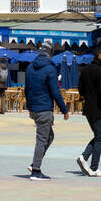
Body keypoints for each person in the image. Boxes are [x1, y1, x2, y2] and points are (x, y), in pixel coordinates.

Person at [24, 41, 68, 180]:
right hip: (44, 108)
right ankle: (36, 171)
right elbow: (55, 92)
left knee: (49, 136)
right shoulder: (50, 69)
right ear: (51, 53)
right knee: (42, 139)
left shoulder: (30, 67)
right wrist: (64, 110)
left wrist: (30, 108)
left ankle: (34, 164)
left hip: (35, 108)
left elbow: (27, 90)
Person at [75, 46, 101, 177]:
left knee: (98, 136)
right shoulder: (100, 71)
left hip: (88, 108)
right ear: (100, 56)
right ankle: (92, 165)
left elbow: (80, 89)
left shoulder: (85, 70)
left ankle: (86, 160)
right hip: (100, 108)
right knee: (100, 138)